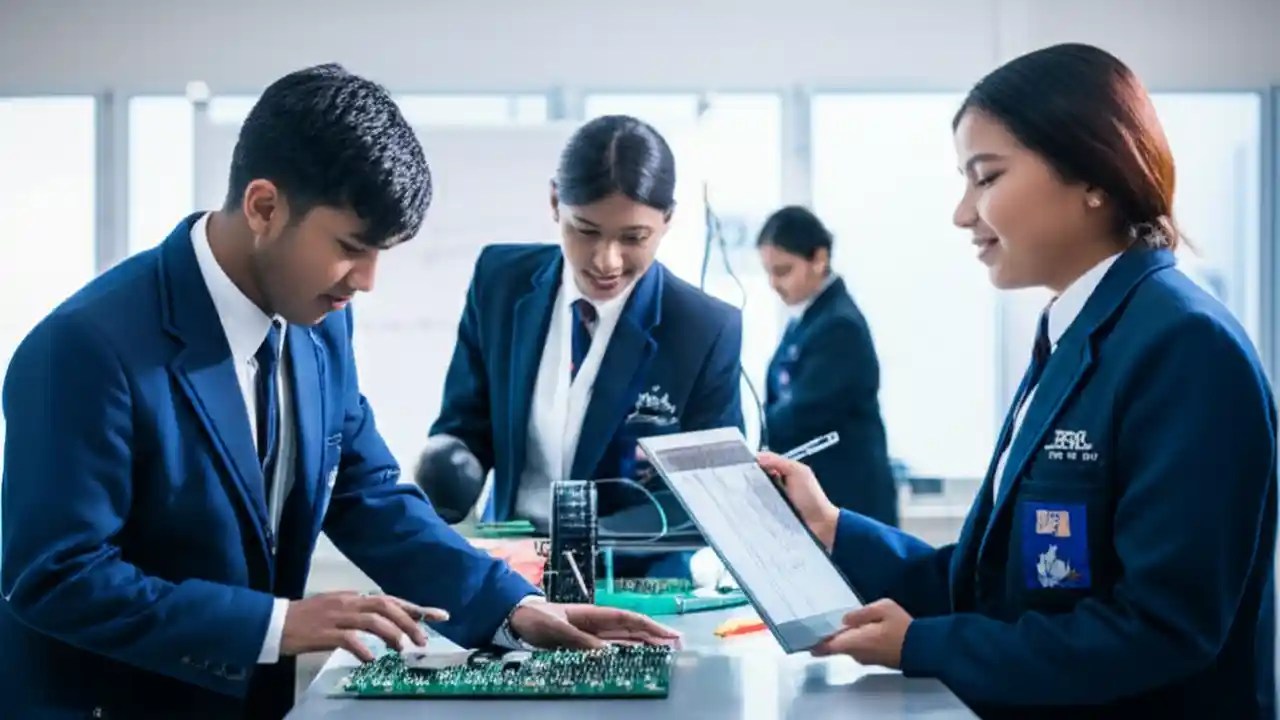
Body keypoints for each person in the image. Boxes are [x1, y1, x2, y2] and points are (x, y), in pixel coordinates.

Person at [0, 64, 677, 720]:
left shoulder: (318, 324)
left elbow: (367, 493)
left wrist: (514, 607)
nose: (366, 282)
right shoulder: (85, 346)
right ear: (264, 207)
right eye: (353, 246)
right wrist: (278, 623)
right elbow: (56, 576)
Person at [759, 43, 1277, 719]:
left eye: (986, 177)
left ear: (1094, 174)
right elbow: (997, 585)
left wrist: (928, 645)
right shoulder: (1075, 331)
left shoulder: (1184, 346)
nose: (963, 213)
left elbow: (1162, 628)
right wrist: (832, 529)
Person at [430, 114, 744, 578]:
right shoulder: (500, 280)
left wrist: (573, 545)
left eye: (633, 238)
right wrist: (449, 468)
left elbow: (710, 498)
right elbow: (466, 423)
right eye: (586, 230)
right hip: (511, 580)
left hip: (636, 587)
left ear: (668, 221)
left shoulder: (703, 327)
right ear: (556, 201)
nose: (606, 261)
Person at [757, 205, 897, 526]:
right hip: (823, 495)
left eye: (783, 271)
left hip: (847, 498)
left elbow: (802, 413)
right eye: (768, 272)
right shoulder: (807, 321)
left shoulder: (839, 326)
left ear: (818, 259)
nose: (773, 284)